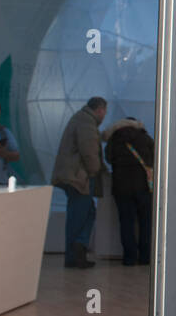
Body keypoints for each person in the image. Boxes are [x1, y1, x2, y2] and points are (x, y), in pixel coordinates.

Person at [51, 97, 107, 269]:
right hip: (78, 178)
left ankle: (76, 251)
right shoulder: (87, 123)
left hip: (72, 176)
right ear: (99, 110)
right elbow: (89, 150)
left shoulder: (81, 119)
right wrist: (94, 171)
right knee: (80, 215)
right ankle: (75, 253)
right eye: (104, 111)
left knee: (86, 212)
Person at [103, 116, 154, 266]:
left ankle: (129, 258)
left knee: (126, 222)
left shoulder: (114, 139)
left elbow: (109, 158)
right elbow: (153, 159)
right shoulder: (145, 138)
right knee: (146, 223)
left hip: (121, 188)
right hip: (143, 187)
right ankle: (145, 257)